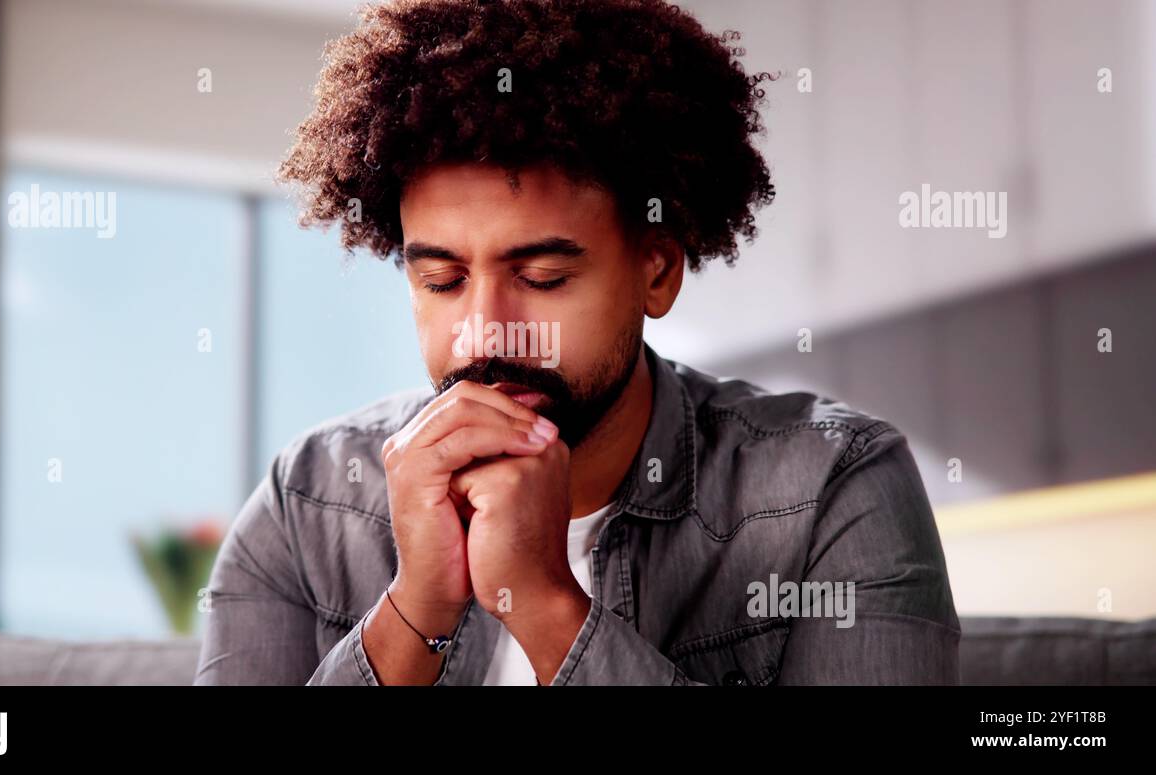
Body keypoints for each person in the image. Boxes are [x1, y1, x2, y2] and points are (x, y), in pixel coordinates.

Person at [194, 0, 959, 686]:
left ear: (656, 272)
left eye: (544, 275)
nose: (486, 329)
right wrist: (418, 603)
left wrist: (544, 604)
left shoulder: (831, 487)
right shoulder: (307, 504)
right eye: (443, 280)